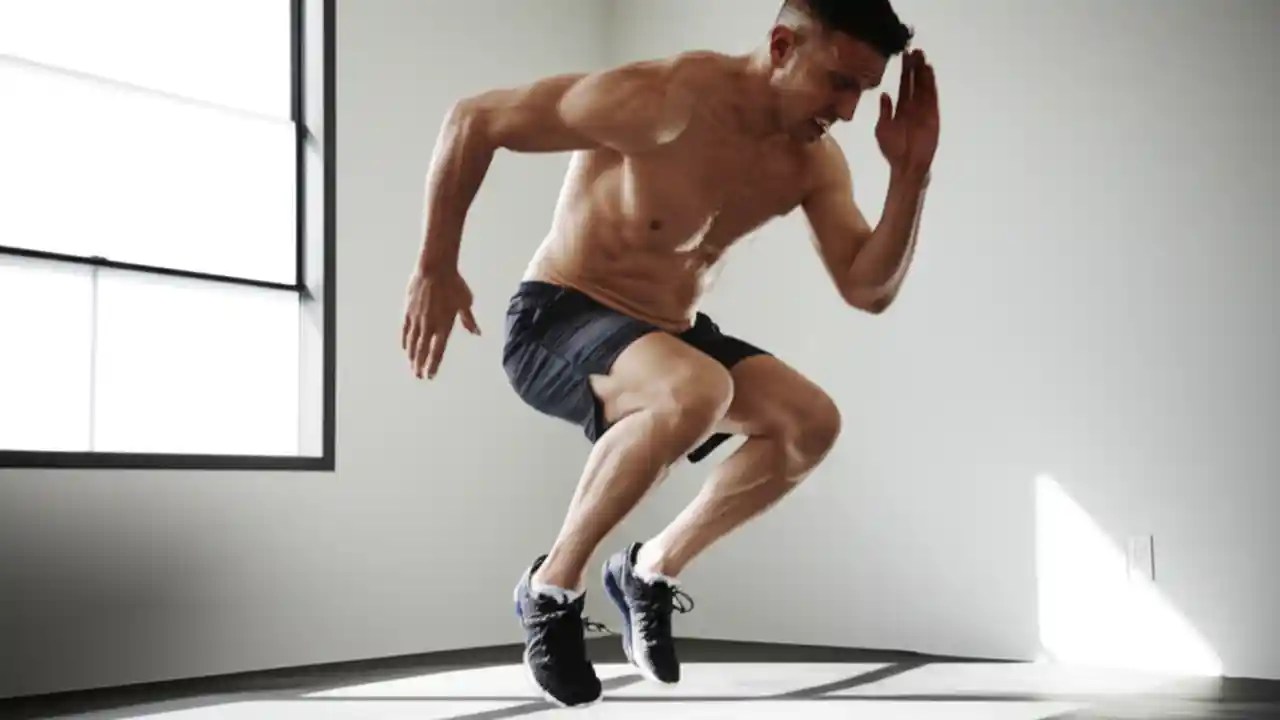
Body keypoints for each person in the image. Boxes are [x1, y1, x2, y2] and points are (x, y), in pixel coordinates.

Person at [401, 0, 937, 707]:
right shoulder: (662, 100)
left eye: (862, 92)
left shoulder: (811, 163)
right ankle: (550, 590)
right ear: (782, 45)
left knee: (811, 423)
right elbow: (476, 119)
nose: (846, 109)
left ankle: (648, 571)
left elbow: (867, 287)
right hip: (558, 317)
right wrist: (436, 264)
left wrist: (910, 175)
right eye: (837, 82)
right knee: (697, 390)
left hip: (671, 337)